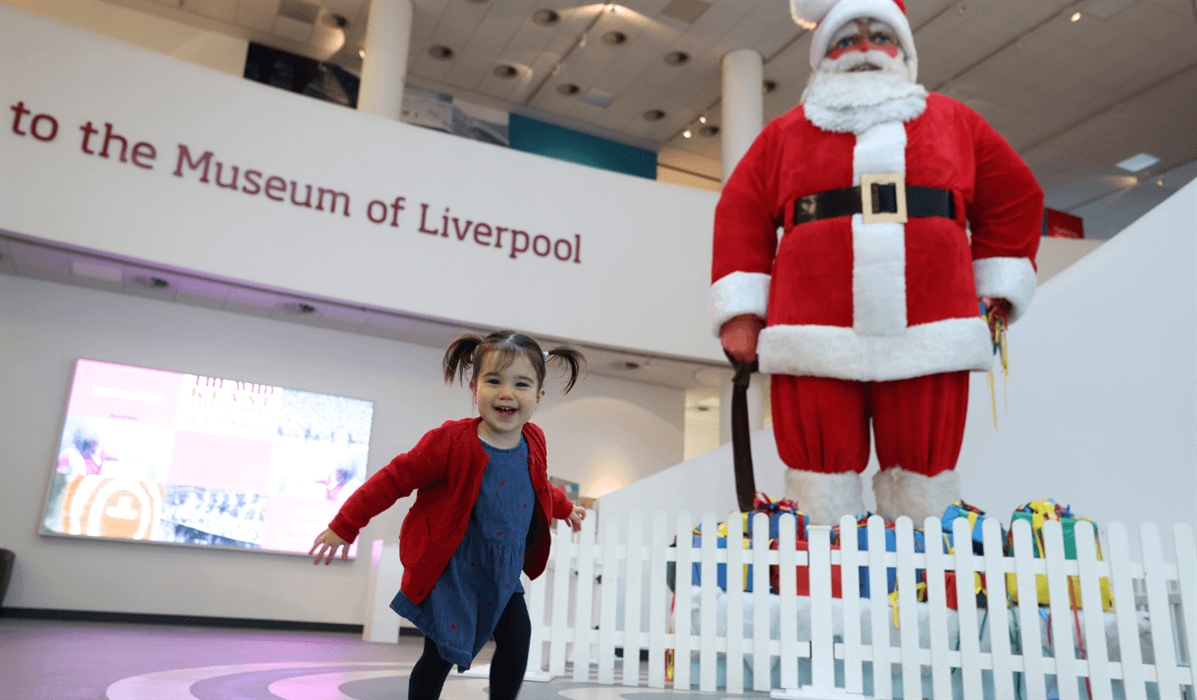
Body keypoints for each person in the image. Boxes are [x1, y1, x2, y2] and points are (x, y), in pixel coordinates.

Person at [711, 0, 1043, 526]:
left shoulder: (956, 122)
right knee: (818, 474)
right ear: (822, 55)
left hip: (929, 330)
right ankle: (823, 580)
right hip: (813, 334)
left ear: (903, 51)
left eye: (879, 37)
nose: (863, 50)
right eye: (846, 40)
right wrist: (742, 314)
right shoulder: (784, 135)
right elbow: (740, 213)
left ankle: (925, 587)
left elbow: (1017, 196)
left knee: (924, 471)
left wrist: (995, 288)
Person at [309, 331, 586, 700]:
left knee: (518, 640)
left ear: (537, 397)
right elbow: (393, 479)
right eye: (493, 381)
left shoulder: (533, 440)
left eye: (521, 384)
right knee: (439, 654)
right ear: (474, 390)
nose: (506, 392)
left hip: (502, 571)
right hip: (454, 570)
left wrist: (565, 507)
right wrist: (345, 525)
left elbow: (536, 486)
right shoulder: (452, 442)